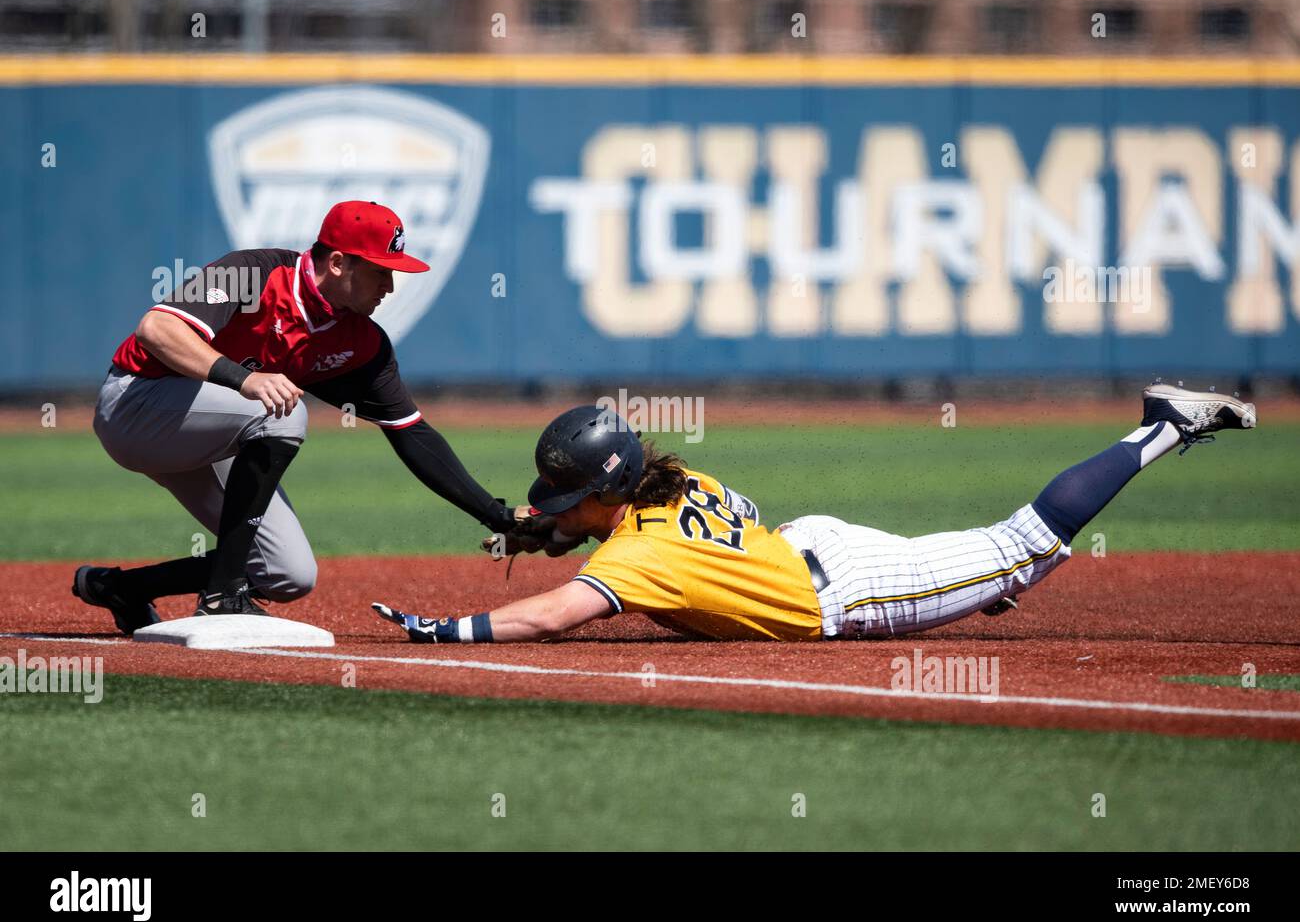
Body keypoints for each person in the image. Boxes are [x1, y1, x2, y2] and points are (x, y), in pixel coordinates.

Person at [372, 384, 1256, 643]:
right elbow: (592, 525)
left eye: (572, 497)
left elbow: (555, 615)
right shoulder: (676, 479)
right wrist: (548, 526)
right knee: (990, 570)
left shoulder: (633, 558)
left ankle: (1165, 427)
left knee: (1019, 546)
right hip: (805, 542)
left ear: (606, 491)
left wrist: (449, 630)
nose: (560, 511)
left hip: (850, 589)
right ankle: (979, 585)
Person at [74, 200, 530, 631]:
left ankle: (121, 589)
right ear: (337, 263)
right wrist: (244, 380)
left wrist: (499, 517)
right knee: (282, 416)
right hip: (137, 405)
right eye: (379, 273)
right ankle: (222, 596)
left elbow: (411, 433)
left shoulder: (361, 342)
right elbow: (158, 330)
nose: (389, 288)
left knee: (288, 575)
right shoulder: (254, 274)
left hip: (212, 430)